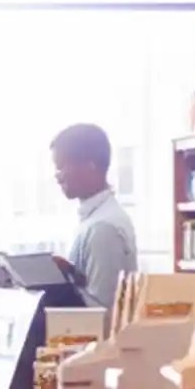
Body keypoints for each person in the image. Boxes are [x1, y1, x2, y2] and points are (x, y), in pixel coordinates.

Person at [51, 123, 138, 310]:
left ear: (90, 166)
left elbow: (101, 313)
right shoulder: (94, 220)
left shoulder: (103, 228)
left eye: (62, 167)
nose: (57, 177)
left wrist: (62, 286)